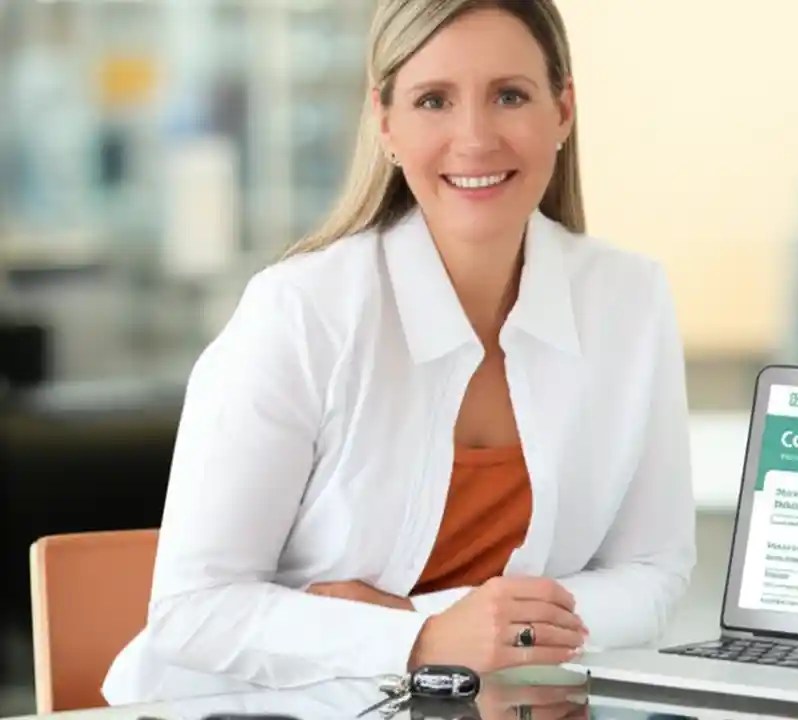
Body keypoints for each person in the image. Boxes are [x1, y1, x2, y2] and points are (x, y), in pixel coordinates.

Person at [103, 0, 695, 704]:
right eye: (433, 101)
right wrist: (425, 644)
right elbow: (192, 612)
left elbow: (654, 571)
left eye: (510, 95)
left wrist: (425, 627)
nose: (474, 139)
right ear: (385, 122)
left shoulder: (629, 298)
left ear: (562, 111)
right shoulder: (300, 311)